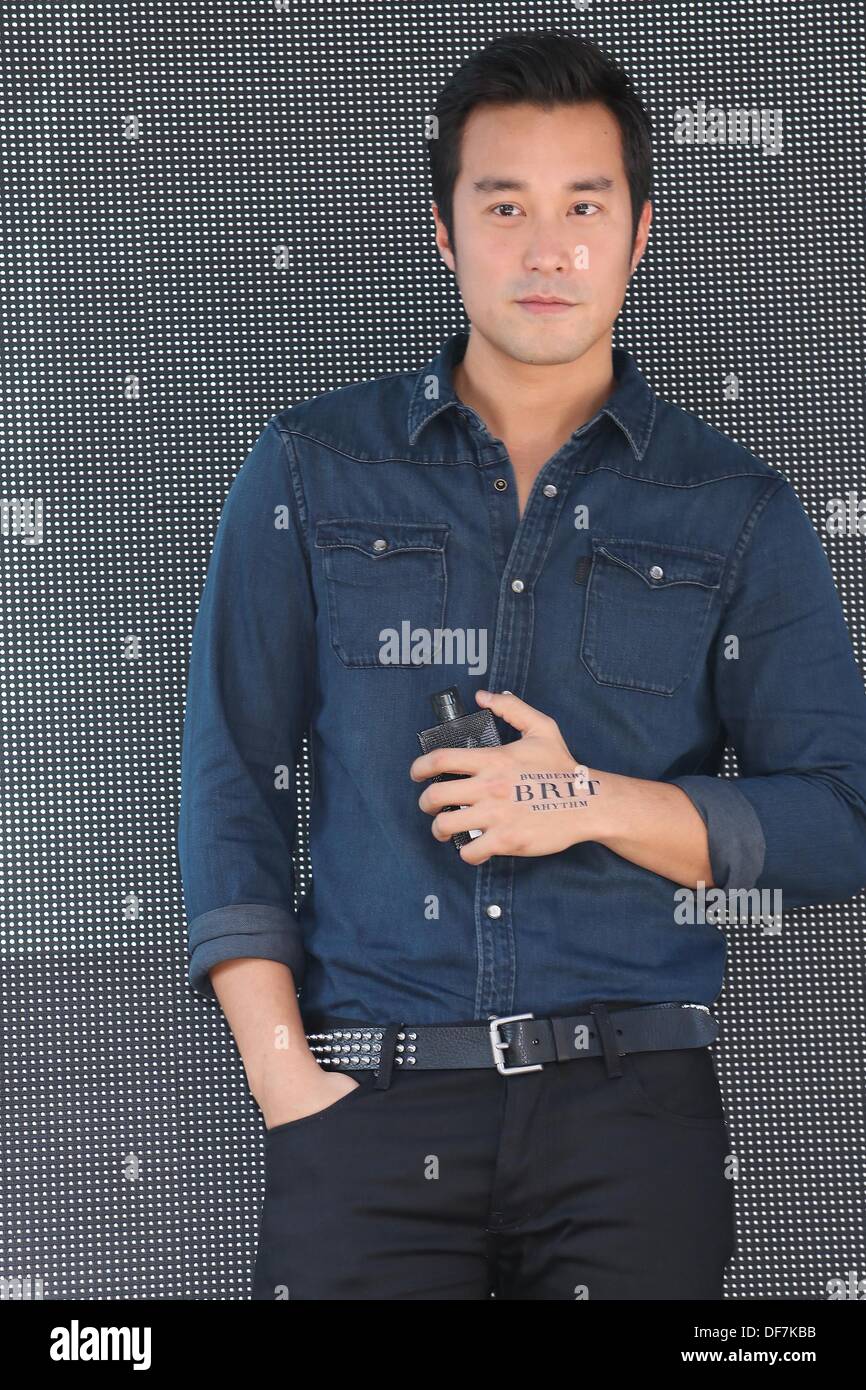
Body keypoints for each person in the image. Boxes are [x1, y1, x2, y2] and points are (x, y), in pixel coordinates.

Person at [177, 30, 866, 1300]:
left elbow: (838, 822)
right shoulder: (308, 468)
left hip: (631, 1122)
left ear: (638, 232)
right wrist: (289, 1087)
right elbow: (232, 791)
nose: (546, 248)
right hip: (365, 1109)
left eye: (582, 206)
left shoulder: (736, 510)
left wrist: (584, 798)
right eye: (505, 206)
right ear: (444, 233)